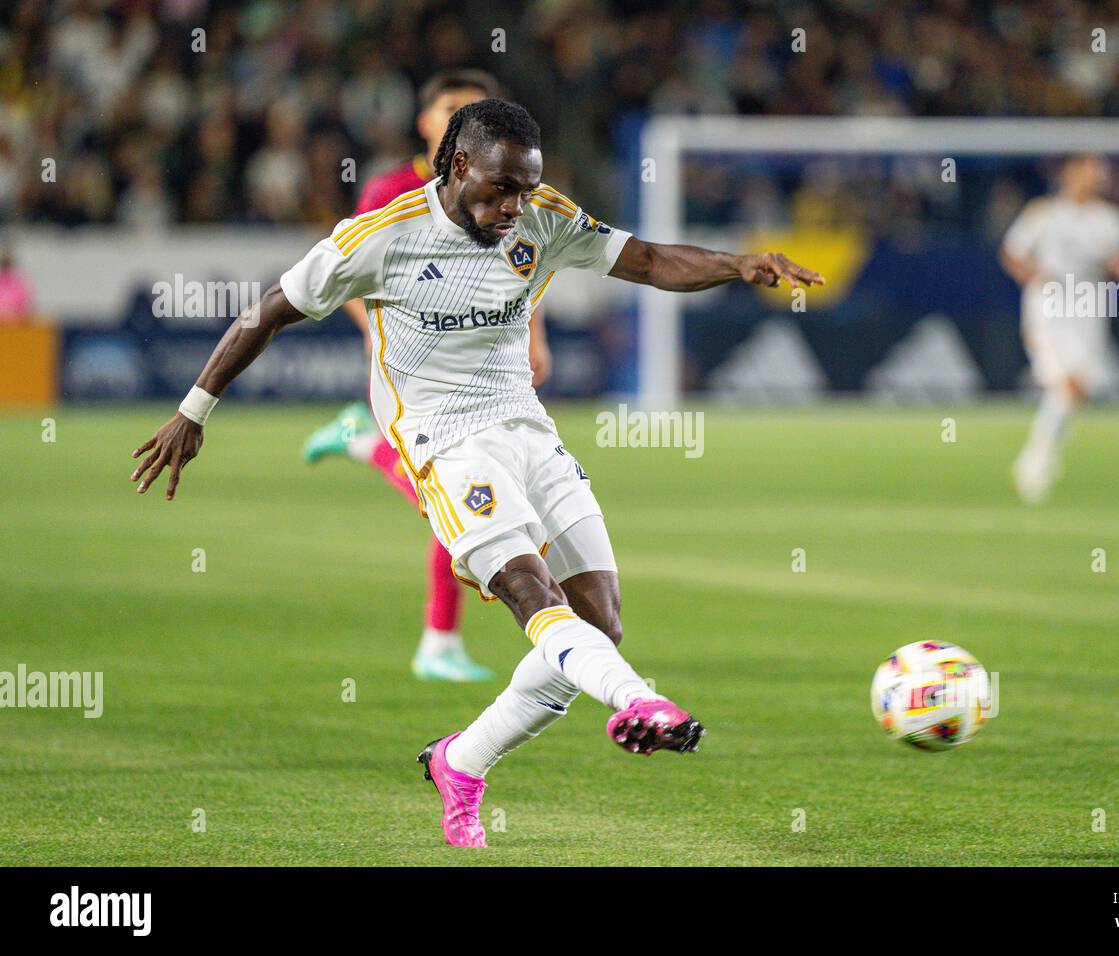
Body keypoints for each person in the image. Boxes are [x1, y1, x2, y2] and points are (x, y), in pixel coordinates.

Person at [130, 98, 824, 847]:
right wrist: (194, 410)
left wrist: (738, 263)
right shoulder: (383, 238)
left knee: (601, 622)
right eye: (499, 190)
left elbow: (648, 260)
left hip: (526, 428)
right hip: (443, 442)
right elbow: (266, 311)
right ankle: (642, 703)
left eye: (524, 189)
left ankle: (461, 760)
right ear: (460, 167)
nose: (512, 207)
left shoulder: (540, 217)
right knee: (532, 592)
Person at [302, 70, 539, 682]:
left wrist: (534, 336)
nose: (466, 120)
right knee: (457, 507)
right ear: (427, 123)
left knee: (469, 502)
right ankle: (439, 642)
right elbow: (347, 271)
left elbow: (524, 267)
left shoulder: (503, 187)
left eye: (477, 109)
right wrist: (377, 340)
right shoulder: (391, 189)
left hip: (481, 377)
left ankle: (360, 443)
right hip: (414, 381)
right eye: (453, 110)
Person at [1000, 154, 1119, 504]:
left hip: (1088, 307)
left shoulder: (1111, 220)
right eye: (1088, 172)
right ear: (1069, 175)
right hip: (1049, 308)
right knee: (1065, 384)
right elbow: (1012, 253)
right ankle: (1033, 461)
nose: (1094, 180)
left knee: (1079, 388)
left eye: (1099, 174)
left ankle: (1042, 453)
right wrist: (1030, 273)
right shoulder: (1043, 213)